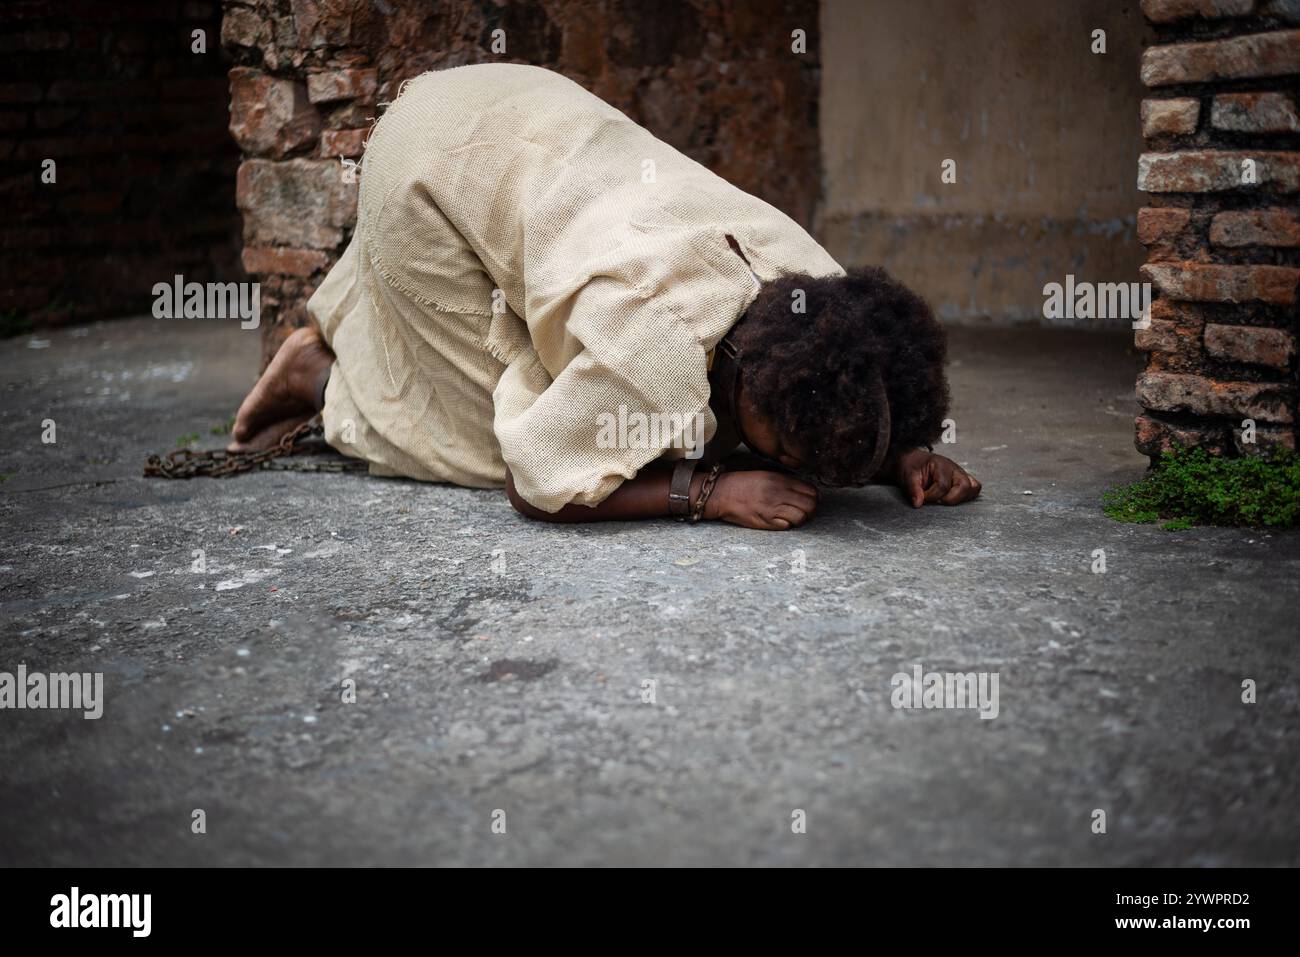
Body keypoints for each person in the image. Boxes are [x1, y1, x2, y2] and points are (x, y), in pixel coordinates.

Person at [229, 63, 980, 530]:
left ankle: (342, 350)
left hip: (514, 108)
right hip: (427, 164)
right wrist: (707, 490)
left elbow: (849, 386)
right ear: (753, 380)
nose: (792, 468)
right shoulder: (655, 358)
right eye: (785, 449)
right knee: (484, 434)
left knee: (567, 364)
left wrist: (897, 452)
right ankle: (322, 382)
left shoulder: (814, 292)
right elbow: (535, 484)